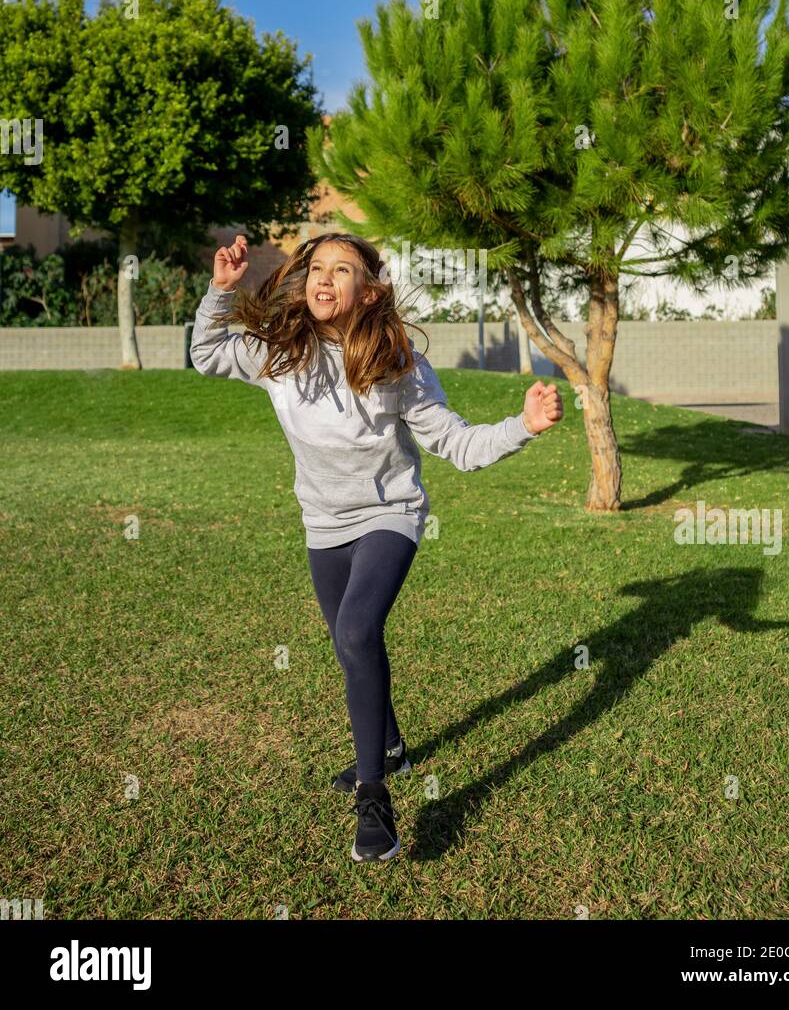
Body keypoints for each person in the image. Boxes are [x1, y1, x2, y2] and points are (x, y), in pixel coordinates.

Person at [189, 231, 563, 862]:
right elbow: (206, 354)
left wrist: (522, 425)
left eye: (342, 270)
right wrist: (220, 293)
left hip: (390, 515)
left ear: (369, 290)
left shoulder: (397, 365)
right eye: (315, 269)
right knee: (348, 643)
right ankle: (390, 746)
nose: (323, 279)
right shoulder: (279, 353)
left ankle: (373, 797)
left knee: (358, 633)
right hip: (322, 524)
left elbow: (460, 446)